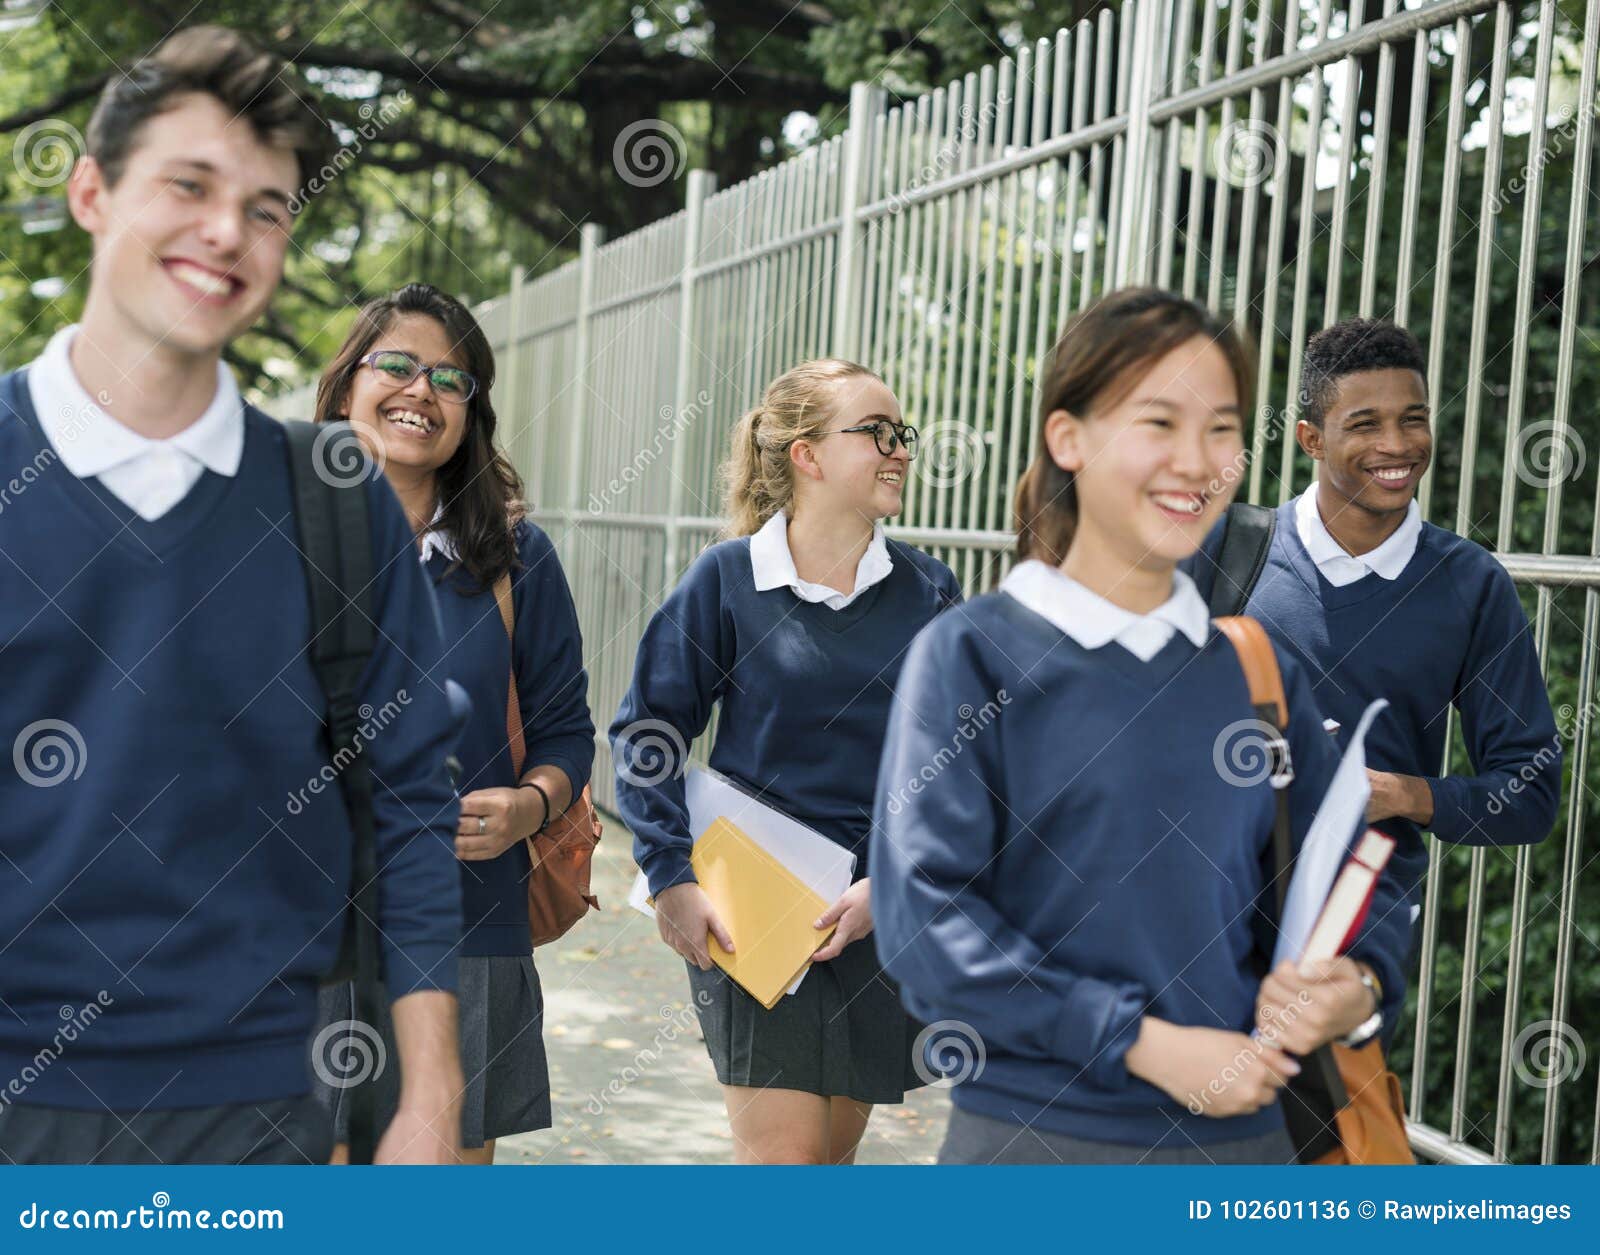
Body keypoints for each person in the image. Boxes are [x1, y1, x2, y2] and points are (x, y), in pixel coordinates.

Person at [0, 28, 464, 1164]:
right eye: (190, 186)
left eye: (265, 206)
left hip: (266, 1100)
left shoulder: (336, 504)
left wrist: (430, 1098)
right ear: (93, 191)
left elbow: (409, 807)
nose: (227, 232)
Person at [870, 288, 1410, 1164]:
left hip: (1248, 1150)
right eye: (1159, 422)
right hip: (1040, 1147)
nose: (1198, 462)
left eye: (1222, 428)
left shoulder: (1253, 671)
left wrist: (1358, 981)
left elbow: (1359, 864)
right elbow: (925, 924)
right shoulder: (973, 656)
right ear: (1067, 437)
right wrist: (1144, 1042)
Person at [608, 360, 963, 1164]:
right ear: (806, 455)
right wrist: (670, 875)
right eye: (876, 432)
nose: (900, 449)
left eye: (901, 433)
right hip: (753, 914)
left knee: (828, 1166)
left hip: (876, 917)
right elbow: (647, 731)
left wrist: (892, 882)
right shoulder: (728, 579)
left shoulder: (929, 590)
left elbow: (958, 761)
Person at [1186, 318, 1560, 1030]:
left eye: (1412, 419)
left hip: (1348, 956)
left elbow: (1531, 793)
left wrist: (1399, 793)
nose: (1396, 445)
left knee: (1312, 1136)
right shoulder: (1223, 551)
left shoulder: (1471, 586)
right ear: (1311, 439)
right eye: (1365, 423)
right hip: (1195, 919)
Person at [310, 283, 594, 1164]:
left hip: (470, 925)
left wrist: (528, 807)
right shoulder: (275, 539)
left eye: (451, 378)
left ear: (472, 414)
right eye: (396, 364)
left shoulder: (515, 558)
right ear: (346, 387)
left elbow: (566, 733)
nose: (420, 391)